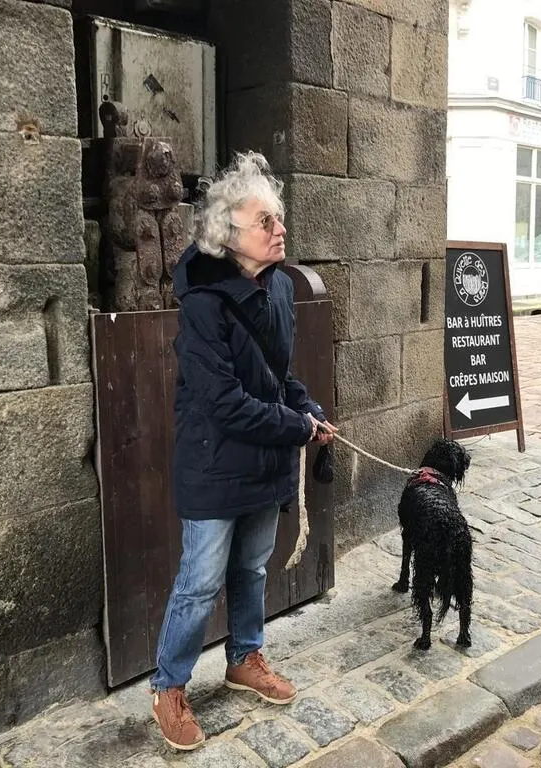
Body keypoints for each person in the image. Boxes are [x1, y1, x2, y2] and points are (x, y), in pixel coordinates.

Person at [150, 151, 336, 751]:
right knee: (200, 582)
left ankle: (244, 658)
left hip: (264, 459)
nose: (280, 229)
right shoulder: (204, 303)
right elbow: (225, 402)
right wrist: (294, 426)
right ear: (230, 234)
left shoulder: (280, 288)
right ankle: (169, 686)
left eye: (279, 218)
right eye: (266, 221)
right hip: (215, 462)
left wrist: (307, 410)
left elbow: (275, 376)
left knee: (252, 568)